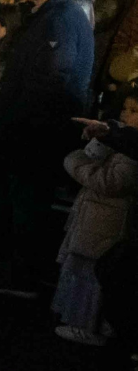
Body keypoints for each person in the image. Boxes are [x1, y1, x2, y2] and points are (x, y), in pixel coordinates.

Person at [0, 0, 96, 296]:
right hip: (26, 127)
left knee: (29, 206)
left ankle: (22, 276)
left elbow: (52, 82)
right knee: (20, 200)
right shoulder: (45, 14)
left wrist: (16, 122)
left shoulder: (61, 19)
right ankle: (11, 264)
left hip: (36, 131)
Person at [53, 94, 138, 344]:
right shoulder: (122, 141)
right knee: (84, 273)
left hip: (109, 222)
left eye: (134, 110)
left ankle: (89, 326)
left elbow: (112, 182)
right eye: (125, 108)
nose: (126, 115)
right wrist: (99, 140)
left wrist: (75, 163)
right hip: (97, 217)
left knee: (93, 279)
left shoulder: (131, 153)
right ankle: (83, 320)